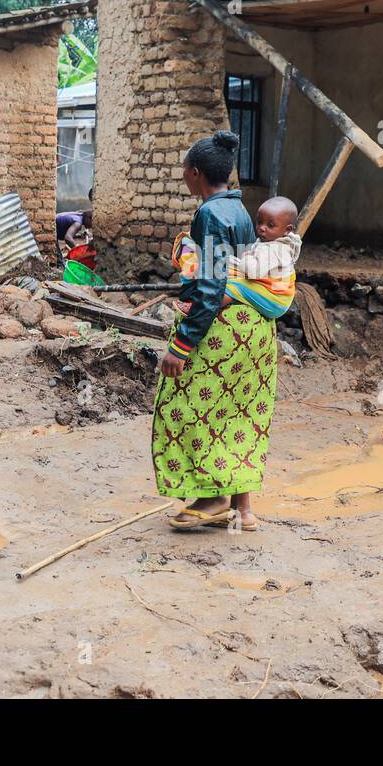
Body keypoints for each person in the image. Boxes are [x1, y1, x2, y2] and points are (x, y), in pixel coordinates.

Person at [152, 130, 278, 532]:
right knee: (240, 413)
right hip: (255, 329)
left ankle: (211, 498)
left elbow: (211, 286)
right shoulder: (242, 211)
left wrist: (181, 346)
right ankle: (244, 510)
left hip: (224, 329)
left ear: (194, 174)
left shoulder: (209, 214)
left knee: (189, 408)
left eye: (184, 173)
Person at [168, 196, 300, 320]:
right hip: (270, 291)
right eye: (259, 222)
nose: (262, 228)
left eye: (270, 225)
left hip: (275, 299)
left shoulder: (277, 249)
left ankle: (200, 309)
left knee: (230, 285)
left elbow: (252, 271)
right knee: (225, 270)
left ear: (287, 230)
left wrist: (246, 256)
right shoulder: (272, 241)